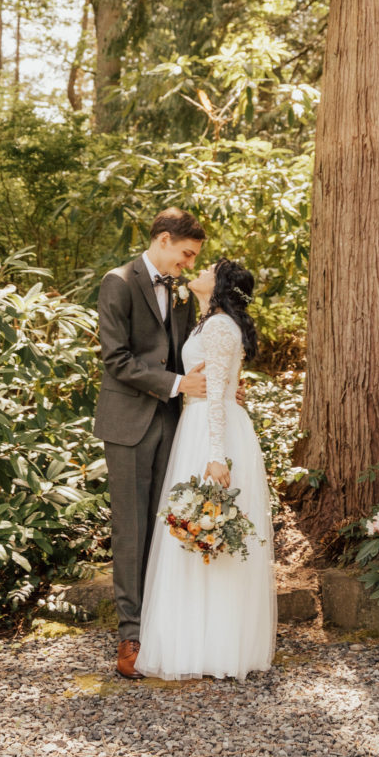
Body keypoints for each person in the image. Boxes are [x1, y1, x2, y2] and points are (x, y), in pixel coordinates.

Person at [136, 257, 276, 681]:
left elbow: (216, 394)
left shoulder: (217, 327)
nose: (198, 271)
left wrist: (216, 454)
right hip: (199, 424)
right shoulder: (209, 323)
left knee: (210, 529)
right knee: (197, 530)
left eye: (209, 270)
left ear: (220, 286)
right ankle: (198, 641)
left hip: (211, 432)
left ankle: (213, 646)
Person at [94, 207, 209, 679]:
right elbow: (116, 359)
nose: (189, 264)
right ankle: (132, 636)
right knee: (131, 530)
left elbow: (183, 356)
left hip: (172, 423)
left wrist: (217, 386)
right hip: (128, 424)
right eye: (186, 254)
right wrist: (179, 384)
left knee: (168, 527)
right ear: (163, 240)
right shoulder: (118, 282)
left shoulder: (180, 293)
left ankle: (165, 628)